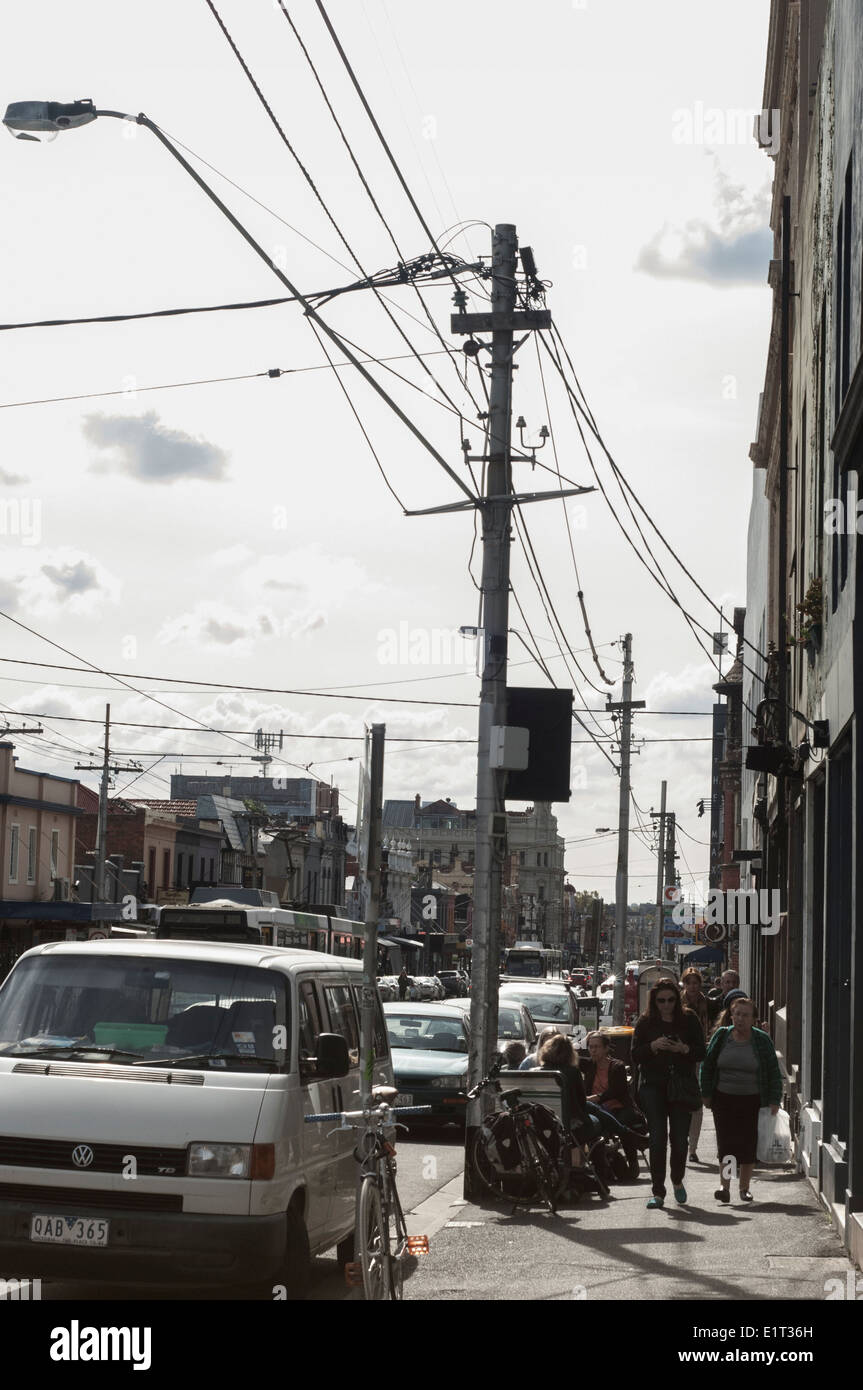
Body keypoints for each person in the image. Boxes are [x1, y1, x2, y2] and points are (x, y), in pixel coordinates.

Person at [632, 978, 706, 1209]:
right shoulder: (645, 1022)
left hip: (680, 1085)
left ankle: (676, 1179)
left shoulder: (689, 1019)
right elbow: (634, 1055)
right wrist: (653, 1046)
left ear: (677, 999)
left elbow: (701, 1051)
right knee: (657, 1139)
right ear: (654, 1000)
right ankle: (658, 1191)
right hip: (653, 1085)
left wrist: (682, 1048)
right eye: (661, 1000)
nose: (666, 1005)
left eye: (671, 1000)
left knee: (679, 1140)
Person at [700, 996, 782, 1203]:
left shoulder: (762, 1040)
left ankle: (744, 1188)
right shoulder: (722, 1036)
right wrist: (706, 1093)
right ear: (731, 1015)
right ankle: (724, 1187)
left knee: (747, 1143)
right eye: (736, 1014)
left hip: (753, 1099)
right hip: (724, 1098)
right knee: (726, 1144)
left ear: (754, 1018)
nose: (740, 1019)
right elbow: (708, 1066)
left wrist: (774, 1099)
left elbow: (773, 1071)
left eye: (745, 1015)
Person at [581, 1030, 644, 1178]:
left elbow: (616, 1091)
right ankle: (601, 1166)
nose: (593, 1050)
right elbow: (566, 1057)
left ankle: (633, 1162)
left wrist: (595, 1098)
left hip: (618, 1107)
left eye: (596, 1047)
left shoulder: (617, 1066)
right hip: (596, 1109)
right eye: (590, 1047)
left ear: (606, 1048)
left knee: (622, 1121)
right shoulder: (588, 1065)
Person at [679, 968, 710, 1164]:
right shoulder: (675, 1001)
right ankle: (682, 1142)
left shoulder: (705, 1002)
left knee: (696, 1102)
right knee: (681, 1102)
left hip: (698, 1055)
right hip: (679, 1056)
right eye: (689, 982)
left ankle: (693, 1148)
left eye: (695, 982)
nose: (692, 986)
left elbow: (707, 1027)